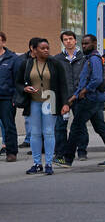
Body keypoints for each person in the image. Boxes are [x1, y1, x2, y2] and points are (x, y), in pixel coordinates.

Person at [60, 34, 105, 168]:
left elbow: (96, 80)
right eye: (82, 44)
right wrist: (74, 96)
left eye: (86, 43)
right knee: (100, 128)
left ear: (94, 44)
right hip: (92, 99)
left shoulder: (94, 59)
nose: (84, 46)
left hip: (90, 100)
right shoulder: (88, 59)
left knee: (76, 128)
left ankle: (67, 159)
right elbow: (83, 81)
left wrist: (84, 91)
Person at [16, 37, 69, 174]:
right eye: (42, 48)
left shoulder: (55, 63)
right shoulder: (26, 64)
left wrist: (65, 103)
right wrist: (24, 89)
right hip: (33, 102)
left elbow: (63, 85)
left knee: (49, 132)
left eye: (47, 48)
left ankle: (49, 164)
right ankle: (37, 163)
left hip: (50, 100)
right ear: (33, 50)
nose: (46, 50)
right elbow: (17, 83)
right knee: (35, 133)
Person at [54, 29, 88, 163]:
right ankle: (60, 152)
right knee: (60, 126)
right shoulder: (57, 59)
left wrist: (82, 92)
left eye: (70, 39)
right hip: (63, 97)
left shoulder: (84, 57)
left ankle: (82, 151)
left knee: (80, 125)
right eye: (65, 40)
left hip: (79, 96)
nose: (68, 42)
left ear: (75, 40)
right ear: (62, 42)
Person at [0, 30, 20, 162]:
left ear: (3, 42)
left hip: (6, 98)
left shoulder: (13, 58)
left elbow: (18, 80)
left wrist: (15, 98)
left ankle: (11, 152)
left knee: (9, 126)